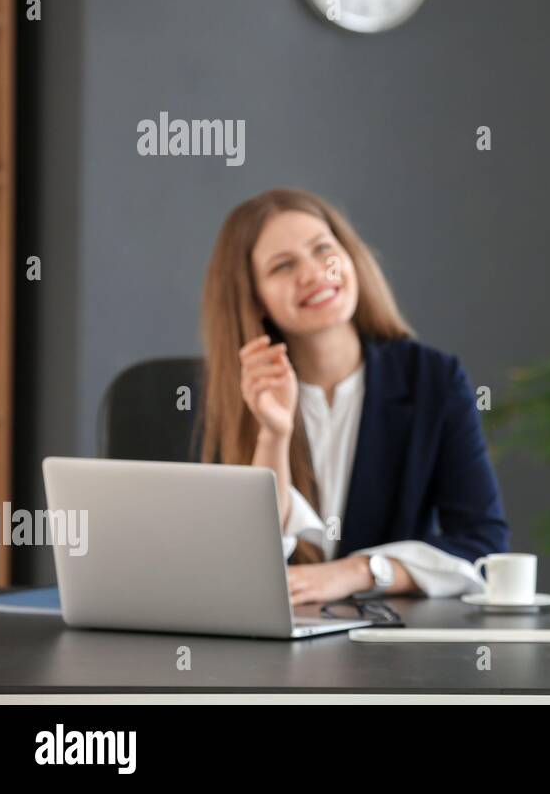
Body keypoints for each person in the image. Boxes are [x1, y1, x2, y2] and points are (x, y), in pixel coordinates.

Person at [199, 188, 509, 605]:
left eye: (322, 249)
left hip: (391, 652)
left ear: (350, 257)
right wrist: (273, 435)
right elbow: (238, 564)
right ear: (254, 299)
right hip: (268, 647)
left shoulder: (432, 380)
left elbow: (484, 545)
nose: (312, 273)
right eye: (283, 266)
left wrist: (360, 572)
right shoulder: (236, 394)